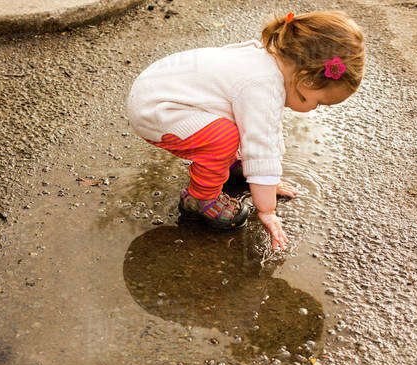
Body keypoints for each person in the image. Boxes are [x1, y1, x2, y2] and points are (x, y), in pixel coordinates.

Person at [126, 10, 365, 250]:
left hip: (157, 94)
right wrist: (267, 209)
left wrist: (268, 181)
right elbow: (261, 147)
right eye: (319, 102)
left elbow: (266, 130)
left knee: (240, 124)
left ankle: (227, 163)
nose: (315, 109)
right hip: (156, 111)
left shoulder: (266, 59)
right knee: (224, 137)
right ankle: (199, 198)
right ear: (306, 79)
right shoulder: (262, 86)